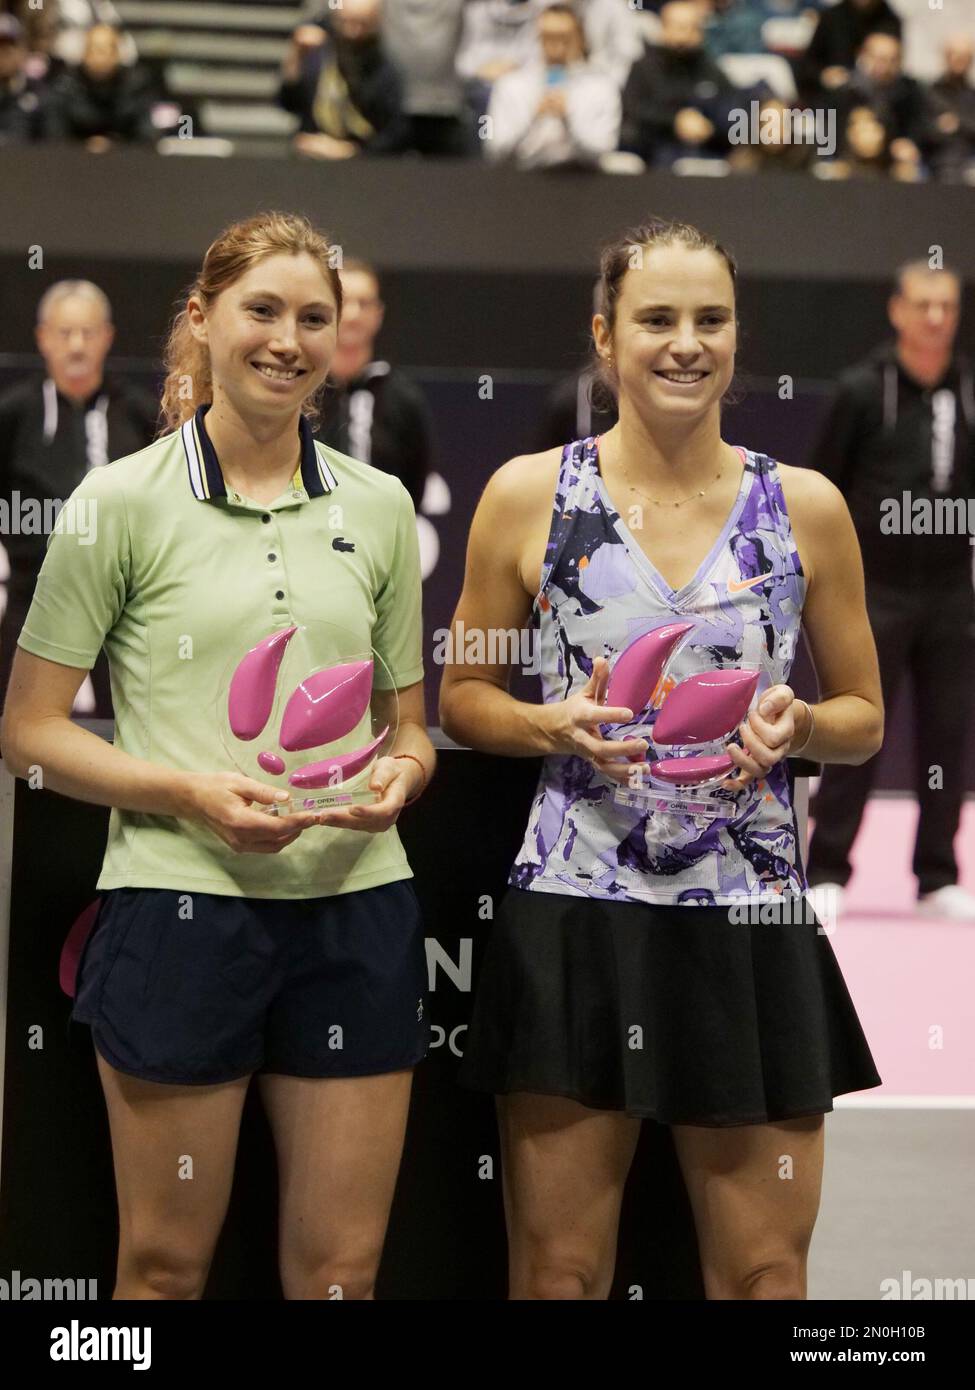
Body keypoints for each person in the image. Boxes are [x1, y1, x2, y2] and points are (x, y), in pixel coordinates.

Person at [440, 218, 884, 1300]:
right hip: (574, 919)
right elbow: (462, 697)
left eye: (711, 320)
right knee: (559, 1272)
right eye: (656, 319)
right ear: (606, 336)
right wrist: (551, 725)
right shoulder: (526, 496)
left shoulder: (808, 509)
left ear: (739, 337)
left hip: (753, 924)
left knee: (766, 1273)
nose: (686, 344)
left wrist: (803, 727)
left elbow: (865, 713)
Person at [1, 211, 436, 1299]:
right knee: (161, 1266)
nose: (288, 338)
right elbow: (30, 734)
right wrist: (191, 793)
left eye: (314, 318)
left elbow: (412, 725)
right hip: (177, 909)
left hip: (357, 911)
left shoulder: (379, 508)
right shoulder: (116, 503)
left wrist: (405, 774)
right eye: (262, 310)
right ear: (201, 320)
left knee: (340, 1270)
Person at [805, 262, 975, 924]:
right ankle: (827, 868)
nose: (935, 317)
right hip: (872, 592)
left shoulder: (968, 391)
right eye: (923, 304)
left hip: (950, 596)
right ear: (897, 311)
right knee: (853, 732)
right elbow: (820, 488)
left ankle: (935, 874)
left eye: (947, 306)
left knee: (948, 735)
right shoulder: (857, 391)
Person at [0, 280, 158, 719]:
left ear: (106, 337)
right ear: (42, 338)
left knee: (129, 720)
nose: (76, 346)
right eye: (64, 333)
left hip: (125, 597)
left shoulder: (140, 413)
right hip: (31, 590)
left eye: (87, 333)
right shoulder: (14, 413)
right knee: (17, 717)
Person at [314, 258, 435, 510]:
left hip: (380, 537)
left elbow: (415, 485)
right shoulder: (300, 390)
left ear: (378, 314)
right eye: (344, 302)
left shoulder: (403, 397)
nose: (354, 314)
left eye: (364, 303)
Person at [485, 3, 621, 170]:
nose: (556, 47)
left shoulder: (601, 88)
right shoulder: (509, 86)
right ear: (535, 37)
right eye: (547, 37)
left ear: (580, 39)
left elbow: (602, 150)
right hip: (522, 181)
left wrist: (568, 117)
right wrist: (532, 116)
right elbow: (494, 150)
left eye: (564, 38)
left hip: (583, 181)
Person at [279, 0, 409, 160]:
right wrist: (296, 55)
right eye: (346, 22)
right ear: (335, 20)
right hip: (311, 160)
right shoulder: (318, 56)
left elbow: (394, 135)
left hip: (364, 167)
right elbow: (287, 102)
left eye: (362, 24)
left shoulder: (384, 70)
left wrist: (350, 151)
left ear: (376, 23)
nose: (353, 32)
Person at [620, 1, 739, 169]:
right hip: (655, 155)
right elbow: (633, 110)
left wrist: (710, 128)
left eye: (692, 28)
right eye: (679, 27)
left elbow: (732, 108)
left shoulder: (709, 68)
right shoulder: (644, 67)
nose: (685, 35)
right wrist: (674, 121)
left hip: (708, 152)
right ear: (663, 28)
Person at [46, 21, 156, 149]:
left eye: (105, 50)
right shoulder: (65, 85)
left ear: (117, 54)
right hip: (72, 162)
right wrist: (85, 147)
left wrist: (112, 146)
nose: (98, 57)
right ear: (84, 53)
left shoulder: (137, 86)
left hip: (124, 162)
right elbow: (53, 137)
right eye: (93, 49)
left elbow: (147, 138)